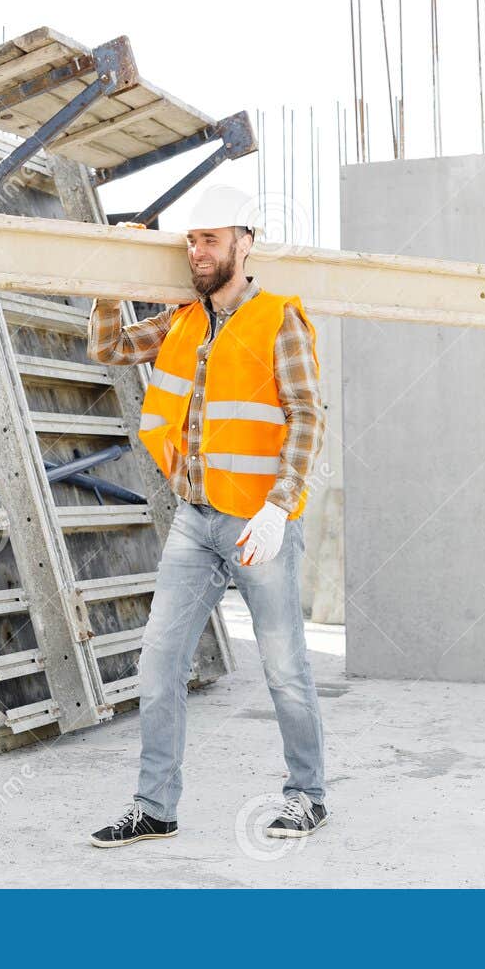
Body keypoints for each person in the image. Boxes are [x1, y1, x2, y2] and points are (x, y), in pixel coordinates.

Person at [84, 184, 328, 848]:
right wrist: (111, 278)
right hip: (195, 520)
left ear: (243, 245)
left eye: (210, 240)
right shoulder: (184, 321)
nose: (197, 252)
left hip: (259, 524)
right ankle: (154, 807)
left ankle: (308, 797)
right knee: (159, 666)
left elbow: (307, 414)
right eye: (192, 241)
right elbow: (108, 348)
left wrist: (281, 507)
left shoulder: (278, 316)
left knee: (284, 668)